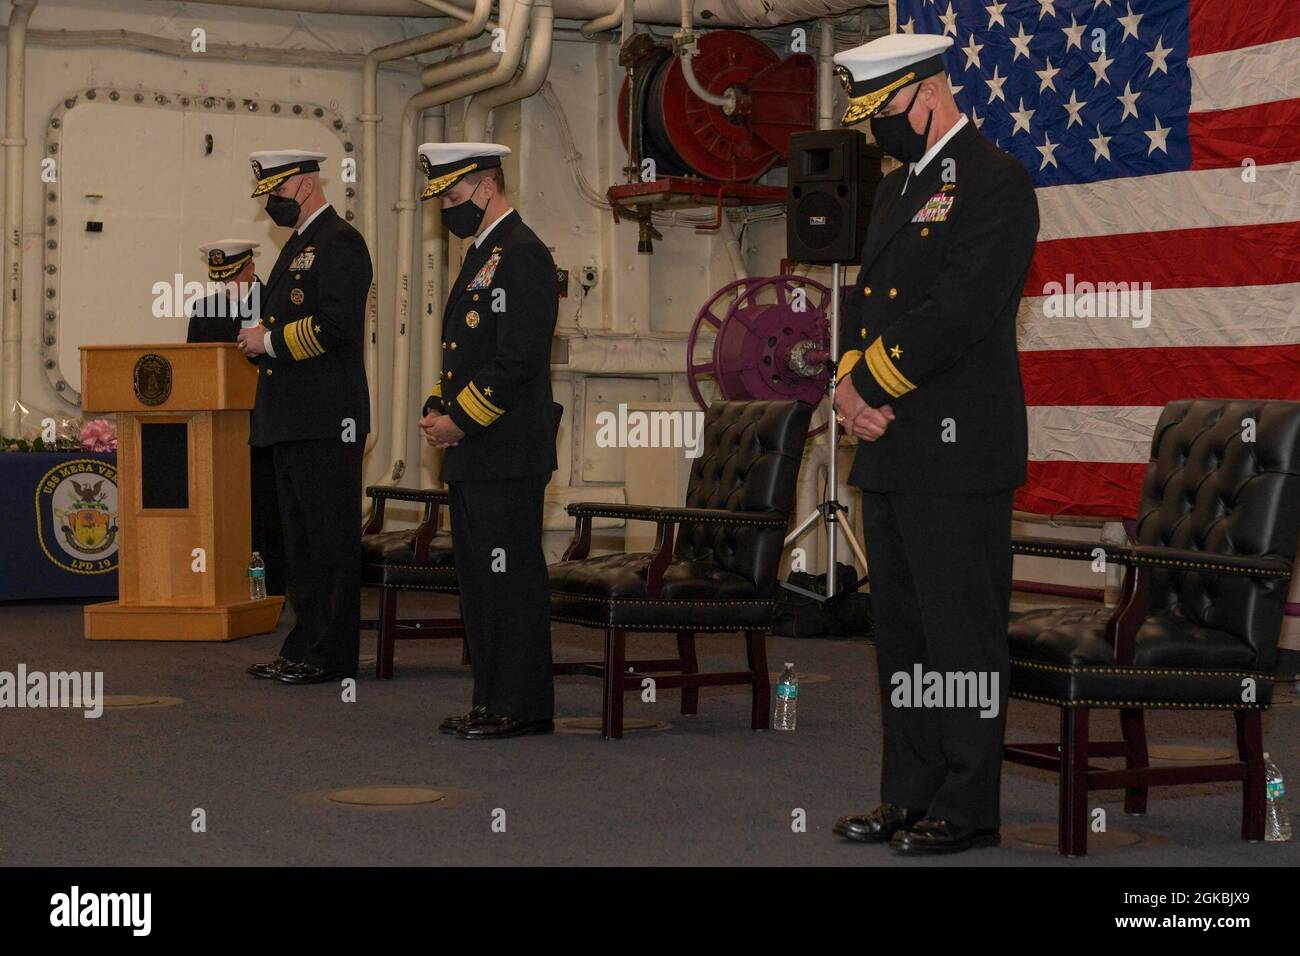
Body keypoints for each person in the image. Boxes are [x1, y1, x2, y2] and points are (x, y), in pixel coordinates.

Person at [829, 33, 1040, 853]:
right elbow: (868, 304)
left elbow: (958, 311)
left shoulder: (995, 182)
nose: (877, 131)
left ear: (927, 94)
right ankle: (906, 794)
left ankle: (966, 804)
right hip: (890, 448)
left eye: (882, 113)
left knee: (960, 635)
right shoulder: (895, 191)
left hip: (958, 454)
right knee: (905, 636)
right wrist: (848, 387)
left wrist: (869, 386)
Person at [416, 142, 559, 739]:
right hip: (479, 451)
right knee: (481, 584)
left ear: (485, 186)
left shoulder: (522, 254)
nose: (447, 209)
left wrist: (461, 420)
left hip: (506, 449)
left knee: (509, 581)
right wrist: (438, 405)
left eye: (452, 196)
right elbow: (466, 353)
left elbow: (516, 361)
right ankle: (492, 697)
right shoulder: (483, 255)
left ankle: (522, 705)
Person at [238, 150, 372, 685]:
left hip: (326, 417)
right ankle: (303, 645)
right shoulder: (298, 245)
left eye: (277, 191)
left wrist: (267, 341)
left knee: (329, 541)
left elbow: (336, 325)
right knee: (300, 543)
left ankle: (331, 654)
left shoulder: (339, 242)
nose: (271, 203)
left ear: (307, 183)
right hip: (293, 417)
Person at [186, 241, 285, 600]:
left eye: (232, 278)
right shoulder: (204, 309)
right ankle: (227, 584)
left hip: (267, 422)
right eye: (220, 280)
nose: (227, 287)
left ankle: (274, 589)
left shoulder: (275, 303)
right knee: (225, 509)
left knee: (267, 507)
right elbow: (194, 369)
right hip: (221, 430)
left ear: (249, 268)